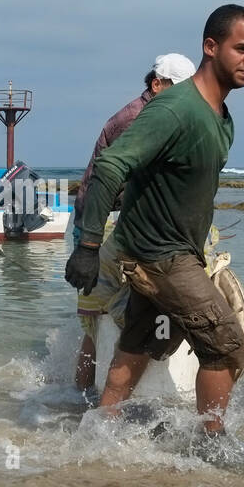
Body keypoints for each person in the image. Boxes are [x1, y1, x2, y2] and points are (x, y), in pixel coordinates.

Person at [64, 4, 244, 436]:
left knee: (140, 343)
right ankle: (211, 445)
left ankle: (98, 433)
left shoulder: (221, 119)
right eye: (242, 48)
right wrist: (87, 246)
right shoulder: (174, 109)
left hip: (177, 252)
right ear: (211, 47)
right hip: (160, 256)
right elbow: (110, 167)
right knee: (226, 347)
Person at [72, 53, 196, 391]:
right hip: (104, 223)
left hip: (107, 220)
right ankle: (79, 397)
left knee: (97, 321)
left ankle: (80, 399)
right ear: (157, 85)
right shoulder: (139, 119)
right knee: (95, 322)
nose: (187, 99)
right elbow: (118, 180)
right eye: (178, 90)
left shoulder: (155, 115)